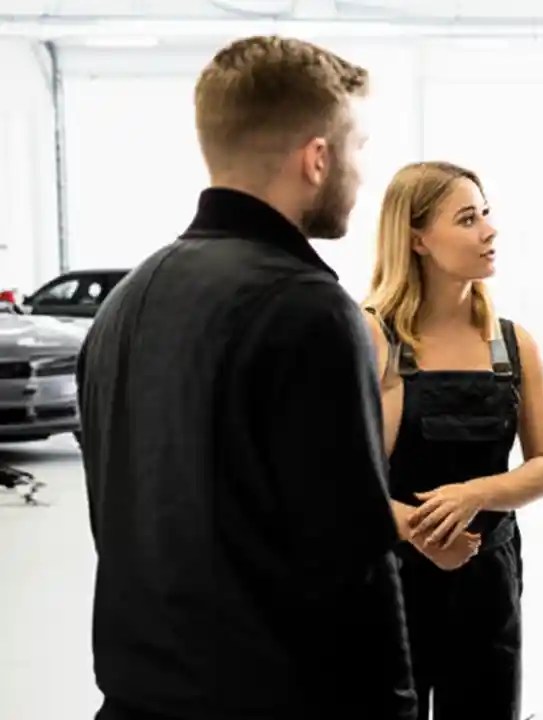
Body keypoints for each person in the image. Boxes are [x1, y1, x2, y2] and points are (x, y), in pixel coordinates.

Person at [75, 36, 417, 720]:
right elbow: (349, 561)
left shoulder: (125, 303)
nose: (360, 170)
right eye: (357, 147)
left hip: (134, 698)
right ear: (317, 158)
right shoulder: (307, 307)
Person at [360, 161, 543, 720]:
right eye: (467, 219)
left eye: (486, 214)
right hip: (392, 582)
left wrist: (472, 495)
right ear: (417, 239)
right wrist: (422, 532)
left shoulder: (515, 346)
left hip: (488, 587)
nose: (489, 231)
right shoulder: (374, 337)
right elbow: (348, 483)